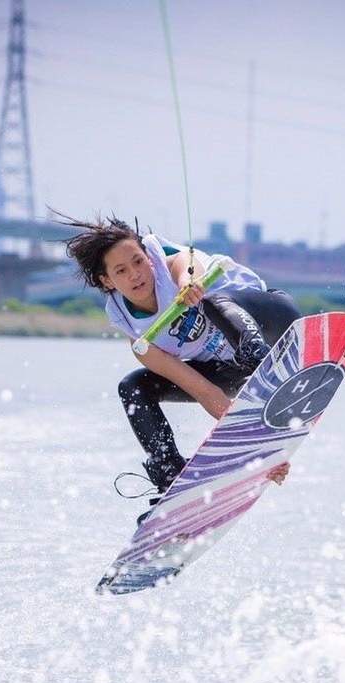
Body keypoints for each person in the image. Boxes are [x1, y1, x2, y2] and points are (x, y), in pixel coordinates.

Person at [61, 214, 299, 512]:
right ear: (107, 281)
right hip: (236, 372)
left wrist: (189, 283)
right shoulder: (137, 335)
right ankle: (171, 476)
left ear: (148, 258)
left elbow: (185, 266)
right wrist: (264, 451)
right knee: (133, 387)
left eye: (138, 261)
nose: (135, 274)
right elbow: (207, 393)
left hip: (274, 321)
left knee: (210, 300)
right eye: (121, 271)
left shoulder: (170, 264)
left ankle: (260, 360)